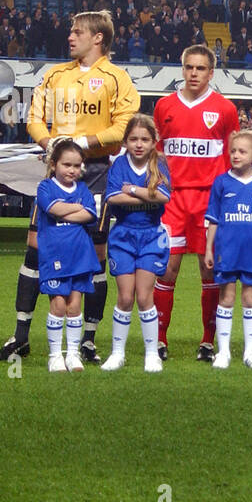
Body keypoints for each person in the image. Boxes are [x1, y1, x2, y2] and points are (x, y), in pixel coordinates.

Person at [0, 10, 140, 363]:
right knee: (35, 247)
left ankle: (87, 340)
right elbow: (33, 117)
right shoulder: (55, 74)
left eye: (77, 32)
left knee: (94, 256)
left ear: (98, 38)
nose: (70, 37)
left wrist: (81, 142)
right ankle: (21, 335)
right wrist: (49, 144)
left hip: (95, 173)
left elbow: (124, 126)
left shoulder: (118, 78)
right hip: (55, 170)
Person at [152, 44, 239, 362]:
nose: (193, 73)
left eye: (200, 68)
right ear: (182, 68)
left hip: (209, 201)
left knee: (209, 270)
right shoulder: (164, 106)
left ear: (211, 72)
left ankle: (207, 341)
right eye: (189, 67)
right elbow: (157, 152)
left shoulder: (225, 109)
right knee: (167, 269)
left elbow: (233, 156)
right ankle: (159, 340)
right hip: (173, 200)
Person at [100, 115, 171, 373]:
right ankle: (117, 353)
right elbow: (112, 197)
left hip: (151, 236)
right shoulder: (119, 163)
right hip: (123, 236)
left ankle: (152, 354)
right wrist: (146, 195)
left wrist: (131, 190)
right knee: (126, 296)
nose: (139, 144)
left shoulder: (159, 163)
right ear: (125, 141)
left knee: (144, 296)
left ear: (154, 141)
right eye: (133, 139)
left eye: (144, 139)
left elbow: (163, 197)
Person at [202, 130, 252, 371]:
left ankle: (250, 352)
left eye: (242, 151)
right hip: (227, 249)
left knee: (250, 298)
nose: (236, 155)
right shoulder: (222, 182)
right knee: (226, 297)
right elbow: (213, 218)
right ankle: (223, 352)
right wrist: (209, 249)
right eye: (233, 151)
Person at [35, 140, 99, 373]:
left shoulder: (82, 189)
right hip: (55, 256)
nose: (71, 170)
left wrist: (66, 208)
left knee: (74, 306)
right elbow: (53, 208)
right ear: (54, 164)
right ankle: (55, 356)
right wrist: (75, 208)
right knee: (58, 305)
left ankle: (72, 354)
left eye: (76, 165)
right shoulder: (45, 187)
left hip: (81, 255)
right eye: (66, 165)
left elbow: (91, 213)